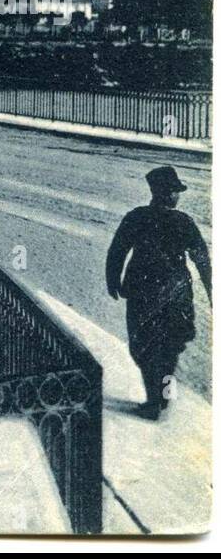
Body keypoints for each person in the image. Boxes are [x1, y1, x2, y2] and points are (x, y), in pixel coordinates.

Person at [105, 165, 211, 420]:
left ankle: (154, 399)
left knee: (144, 346)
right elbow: (202, 261)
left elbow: (117, 250)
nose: (177, 195)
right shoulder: (184, 222)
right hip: (176, 294)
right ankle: (161, 397)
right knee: (170, 348)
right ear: (167, 193)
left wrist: (113, 279)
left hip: (143, 292)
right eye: (175, 191)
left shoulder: (136, 217)